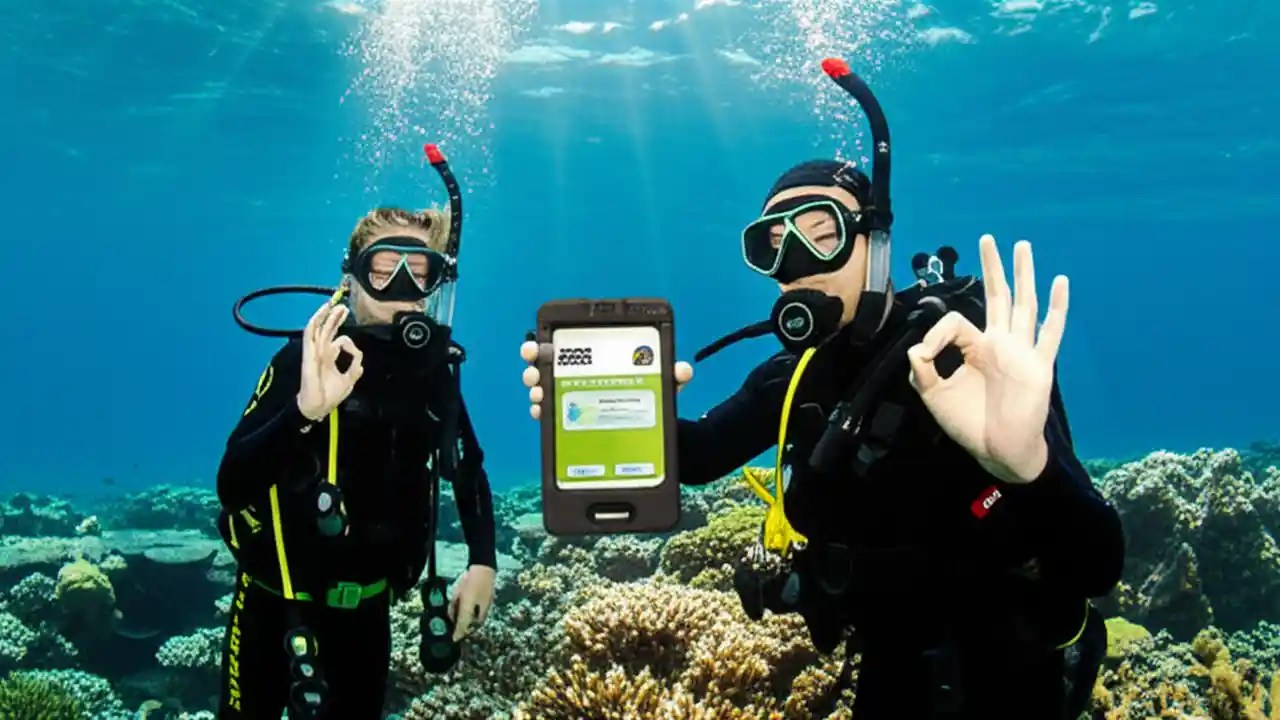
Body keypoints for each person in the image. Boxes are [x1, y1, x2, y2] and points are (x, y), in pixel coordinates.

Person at [519, 61, 1122, 719]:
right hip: (888, 666)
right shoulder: (795, 376)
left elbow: (1096, 566)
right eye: (770, 247)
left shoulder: (969, 354)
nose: (793, 265)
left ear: (878, 240)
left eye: (822, 233)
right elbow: (695, 458)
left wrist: (1028, 467)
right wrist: (614, 411)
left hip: (1013, 671)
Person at [215, 146, 497, 719]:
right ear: (351, 275)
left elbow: (466, 469)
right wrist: (305, 412)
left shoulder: (431, 373)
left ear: (437, 285)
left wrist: (484, 561)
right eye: (382, 268)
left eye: (418, 273)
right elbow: (233, 482)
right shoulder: (306, 360)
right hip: (276, 605)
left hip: (367, 614)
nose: (398, 287)